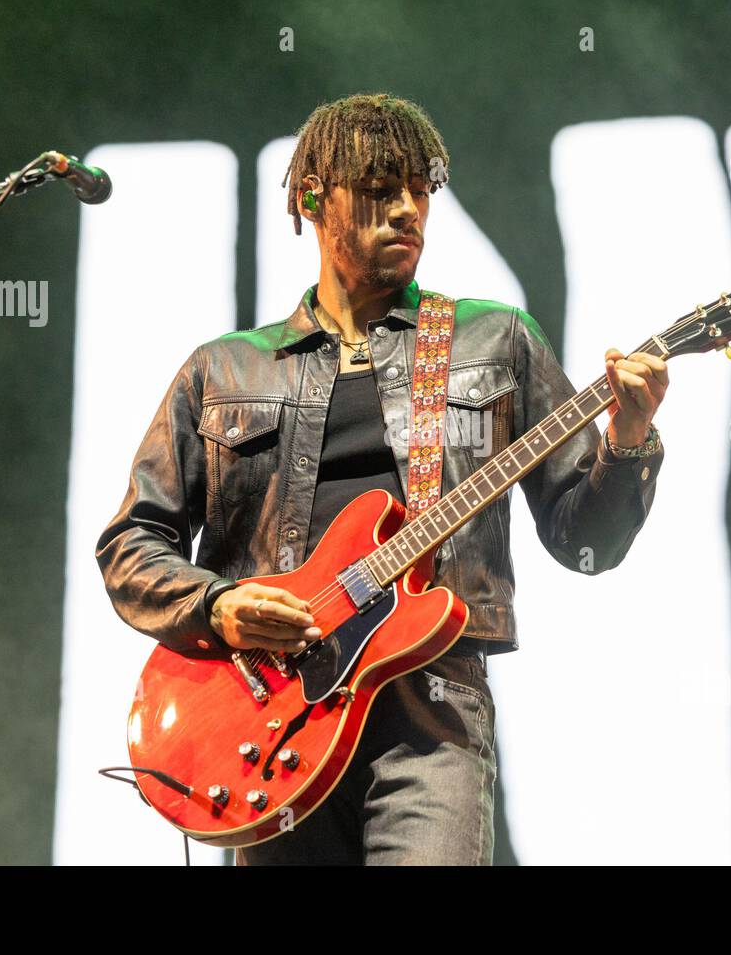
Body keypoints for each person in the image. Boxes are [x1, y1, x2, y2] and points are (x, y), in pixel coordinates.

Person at [96, 92, 668, 865]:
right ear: (311, 199)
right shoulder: (223, 367)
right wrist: (220, 605)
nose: (407, 210)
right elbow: (132, 542)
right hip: (273, 721)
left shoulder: (492, 338)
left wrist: (628, 440)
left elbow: (583, 542)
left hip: (431, 712)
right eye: (378, 188)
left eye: (420, 191)